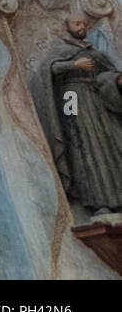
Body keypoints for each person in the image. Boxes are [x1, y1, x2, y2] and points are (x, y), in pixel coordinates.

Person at [34, 11, 122, 219]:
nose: (81, 27)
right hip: (73, 98)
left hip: (98, 103)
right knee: (86, 148)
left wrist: (116, 81)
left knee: (110, 147)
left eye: (84, 24)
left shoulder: (93, 52)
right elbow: (50, 68)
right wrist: (74, 65)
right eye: (77, 23)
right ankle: (100, 203)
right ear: (68, 26)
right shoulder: (61, 48)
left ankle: (118, 199)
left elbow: (106, 73)